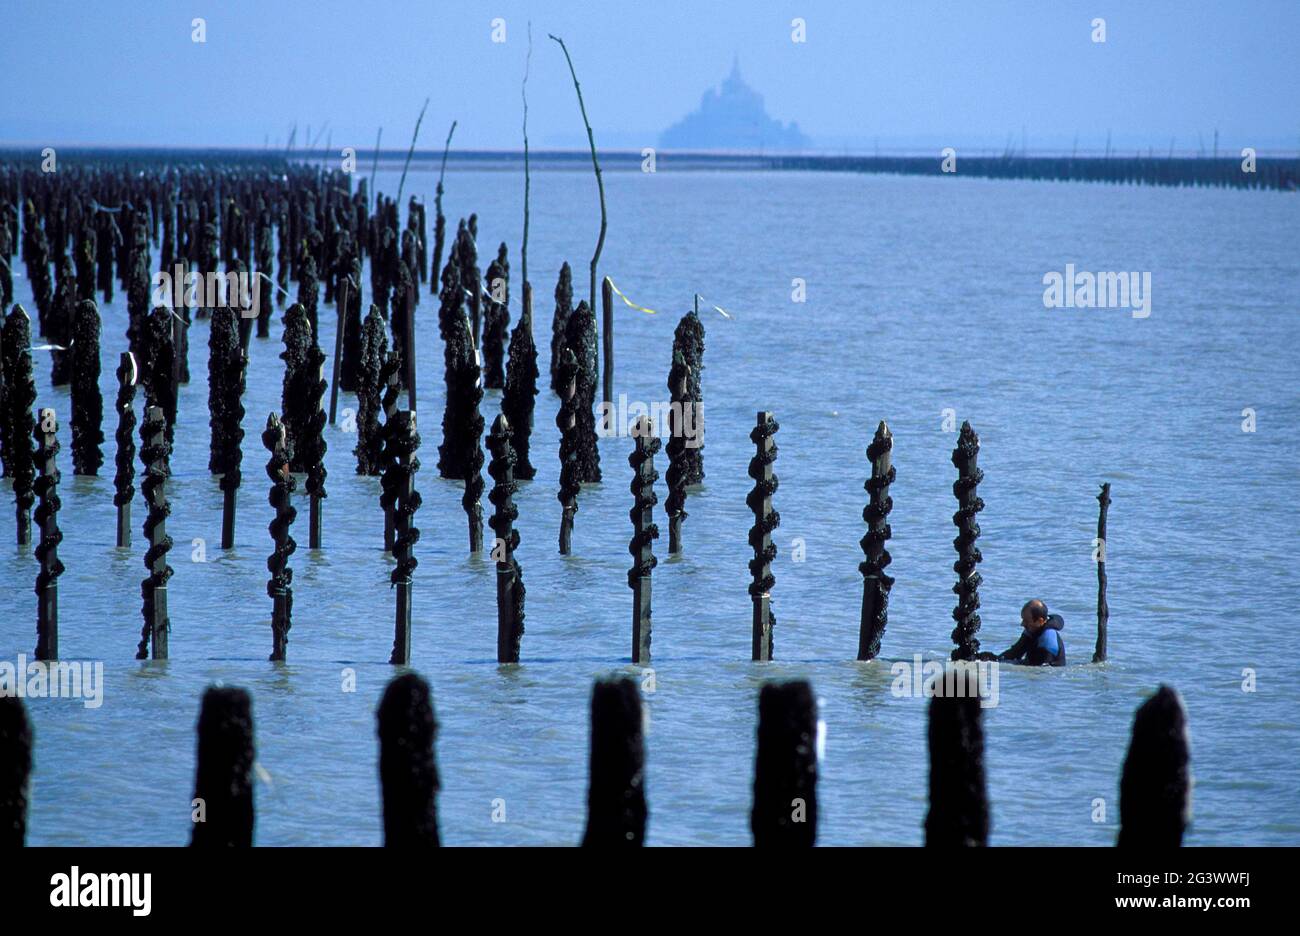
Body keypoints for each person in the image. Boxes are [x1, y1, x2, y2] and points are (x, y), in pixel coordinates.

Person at [997, 599, 1066, 666]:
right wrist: (994, 659)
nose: (1022, 624)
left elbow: (1040, 670)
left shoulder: (1048, 640)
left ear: (1040, 621)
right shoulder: (1032, 630)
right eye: (1023, 620)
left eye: (1026, 621)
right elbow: (1015, 652)